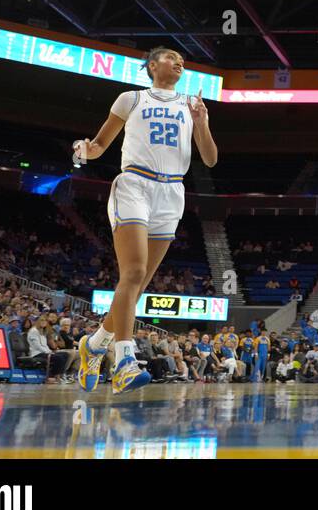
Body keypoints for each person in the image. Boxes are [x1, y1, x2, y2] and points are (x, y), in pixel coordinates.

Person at [72, 46, 218, 394]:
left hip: (172, 193)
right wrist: (83, 149)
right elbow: (100, 145)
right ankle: (124, 360)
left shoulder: (190, 104)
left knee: (136, 287)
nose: (180, 62)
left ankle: (94, 345)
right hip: (135, 184)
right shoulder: (130, 99)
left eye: (182, 60)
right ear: (152, 66)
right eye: (172, 58)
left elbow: (210, 159)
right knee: (133, 273)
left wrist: (202, 122)